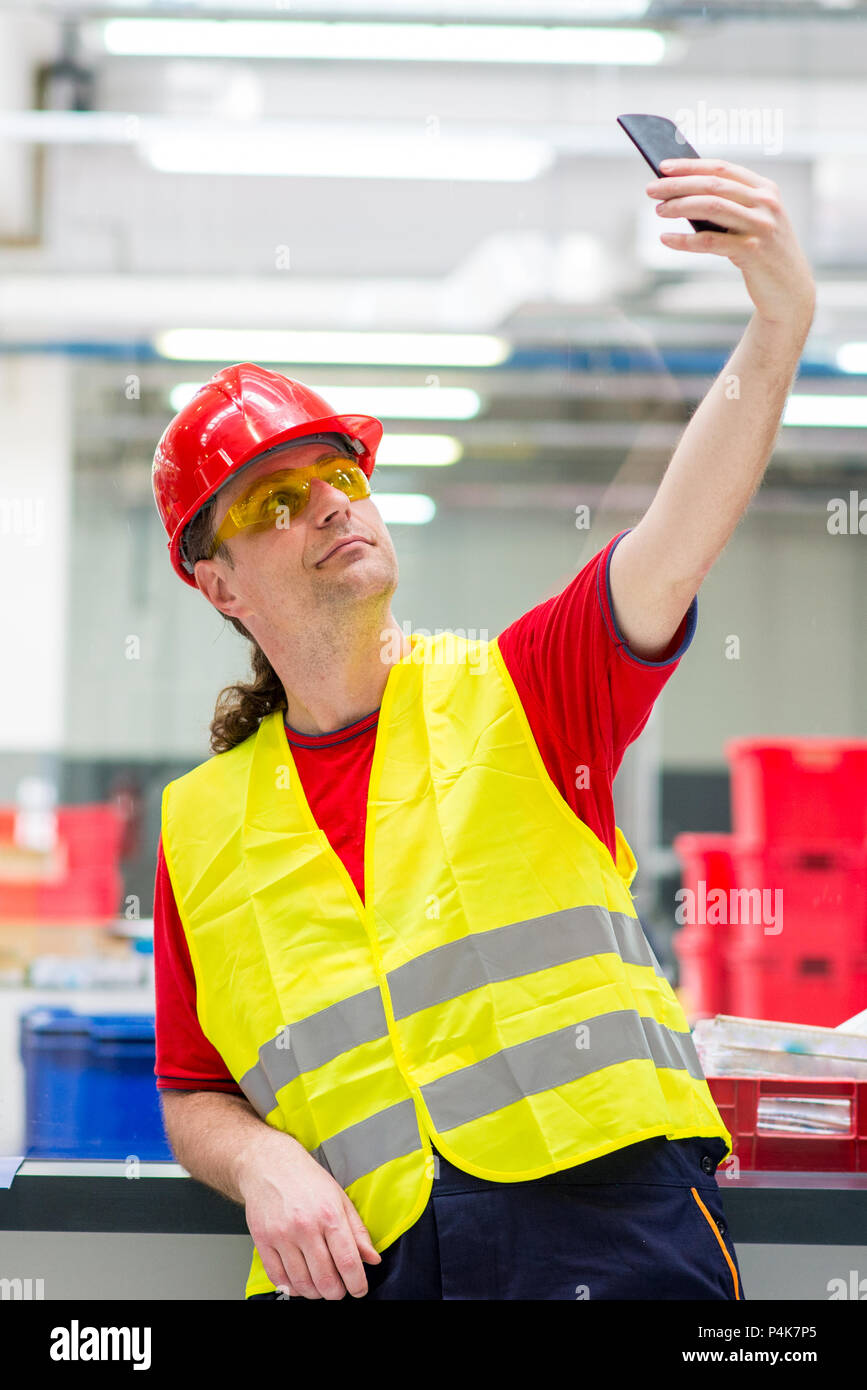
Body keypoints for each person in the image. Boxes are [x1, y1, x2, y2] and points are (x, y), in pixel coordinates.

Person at [151, 156, 815, 1301]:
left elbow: (675, 538)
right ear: (219, 585)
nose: (331, 501)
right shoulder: (199, 826)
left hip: (608, 1229)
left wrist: (778, 325)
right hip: (369, 1262)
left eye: (339, 471)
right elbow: (193, 1086)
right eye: (276, 500)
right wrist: (260, 1160)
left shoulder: (527, 686)